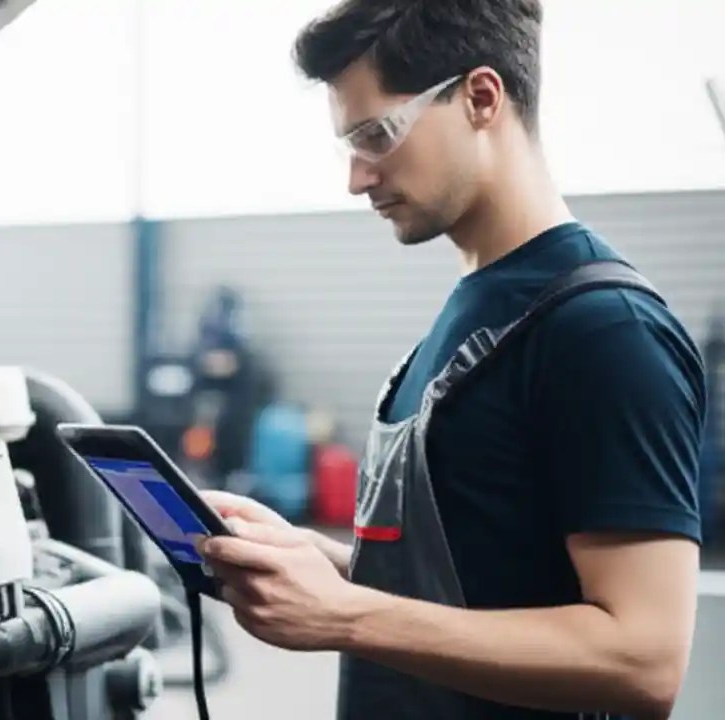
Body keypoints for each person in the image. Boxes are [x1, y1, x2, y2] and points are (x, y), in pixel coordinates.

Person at [193, 2, 707, 719]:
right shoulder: (471, 317)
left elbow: (640, 659)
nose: (357, 177)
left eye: (377, 134)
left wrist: (346, 616)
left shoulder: (602, 331)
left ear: (481, 98)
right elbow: (476, 585)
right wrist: (318, 564)